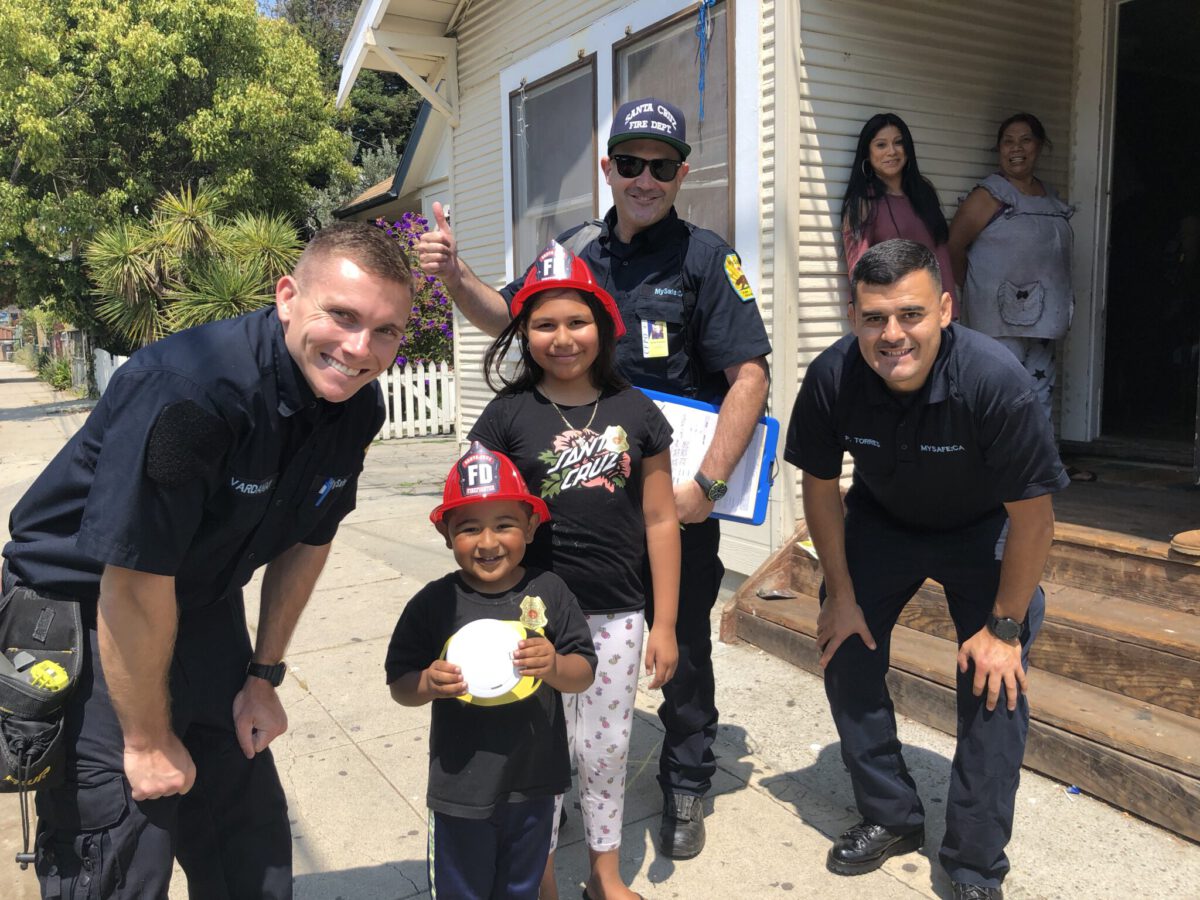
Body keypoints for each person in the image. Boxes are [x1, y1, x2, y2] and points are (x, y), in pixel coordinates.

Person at [1, 222, 415, 899]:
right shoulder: (192, 393)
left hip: (200, 602)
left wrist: (263, 675)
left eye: (386, 331)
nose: (358, 349)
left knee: (246, 841)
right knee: (120, 852)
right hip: (90, 610)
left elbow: (311, 537)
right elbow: (132, 583)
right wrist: (145, 739)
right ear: (288, 296)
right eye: (342, 316)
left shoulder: (354, 408)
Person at [418, 97, 772, 861]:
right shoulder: (575, 248)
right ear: (609, 168)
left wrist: (704, 489)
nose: (646, 178)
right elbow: (509, 316)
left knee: (680, 649)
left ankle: (685, 775)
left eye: (663, 165)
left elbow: (750, 375)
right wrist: (453, 274)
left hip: (664, 498)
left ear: (681, 173)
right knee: (557, 640)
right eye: (632, 162)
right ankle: (560, 782)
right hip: (577, 507)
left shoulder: (708, 260)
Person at [784, 239, 1069, 900]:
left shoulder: (996, 381)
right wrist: (841, 595)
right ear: (854, 316)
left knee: (997, 681)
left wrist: (1003, 627)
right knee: (845, 646)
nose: (892, 335)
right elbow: (821, 489)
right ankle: (891, 814)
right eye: (874, 317)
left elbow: (1035, 520)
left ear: (945, 308)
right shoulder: (832, 378)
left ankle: (973, 864)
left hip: (983, 530)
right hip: (883, 523)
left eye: (910, 314)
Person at [468, 243, 679, 900]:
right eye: (544, 324)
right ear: (523, 333)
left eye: (577, 321)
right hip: (532, 615)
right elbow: (477, 522)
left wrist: (666, 623)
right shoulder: (506, 416)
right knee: (536, 754)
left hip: (618, 615)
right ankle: (541, 878)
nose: (562, 338)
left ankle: (605, 874)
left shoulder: (637, 412)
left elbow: (662, 521)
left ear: (605, 325)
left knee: (606, 749)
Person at [385, 442, 597, 900]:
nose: (487, 542)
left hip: (535, 783)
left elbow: (584, 672)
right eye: (468, 529)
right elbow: (399, 683)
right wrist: (426, 683)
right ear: (446, 535)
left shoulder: (550, 591)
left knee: (521, 887)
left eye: (504, 525)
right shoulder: (433, 604)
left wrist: (556, 665)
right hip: (460, 787)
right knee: (463, 890)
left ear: (531, 525)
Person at [947, 113, 1075, 430]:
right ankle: (999, 469)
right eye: (1008, 141)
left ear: (1040, 146)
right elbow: (954, 246)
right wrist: (976, 289)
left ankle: (1038, 469)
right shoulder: (990, 195)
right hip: (998, 321)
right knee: (1003, 392)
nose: (1016, 148)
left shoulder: (1049, 197)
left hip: (1042, 319)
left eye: (1025, 140)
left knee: (1039, 392)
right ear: (999, 149)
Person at [842, 113, 959, 318]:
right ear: (867, 154)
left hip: (931, 312)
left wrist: (952, 313)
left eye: (898, 143)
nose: (892, 152)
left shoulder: (924, 191)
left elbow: (941, 253)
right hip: (893, 315)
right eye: (881, 145)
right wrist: (867, 319)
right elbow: (858, 268)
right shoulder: (863, 202)